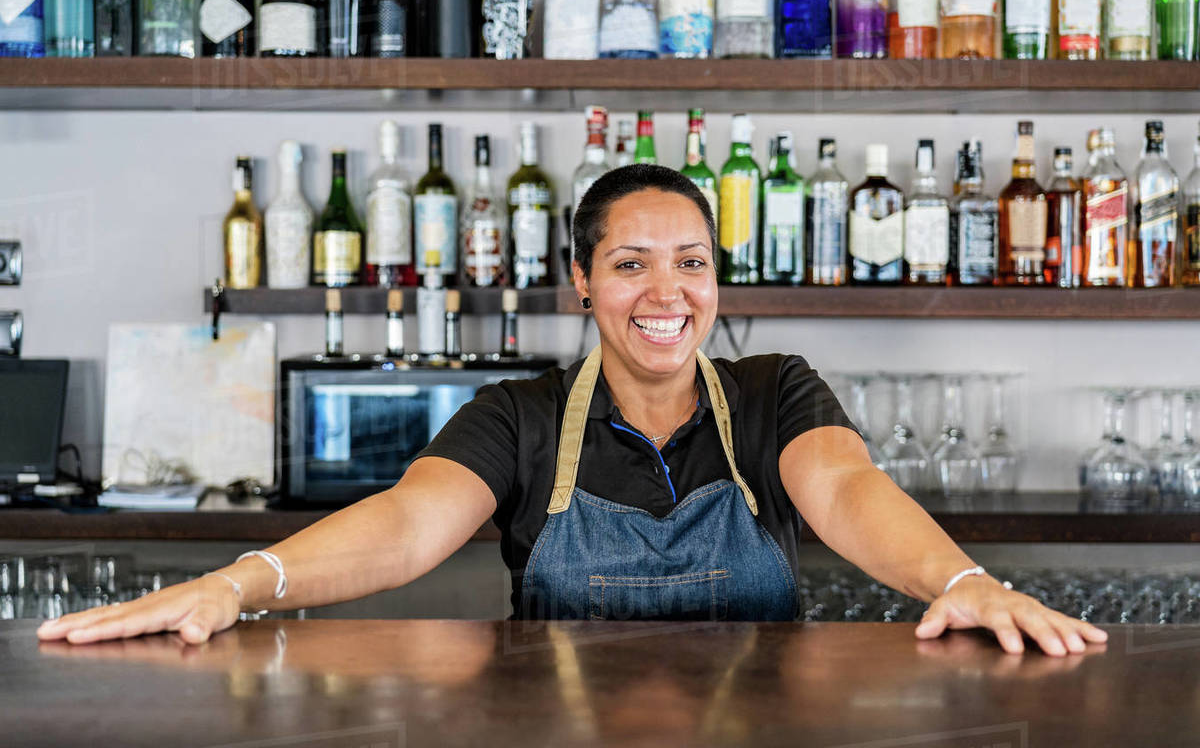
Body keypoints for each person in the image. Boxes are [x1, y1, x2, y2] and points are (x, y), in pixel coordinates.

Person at [38, 165, 1107, 656]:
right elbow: (408, 524)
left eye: (691, 262)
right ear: (579, 284)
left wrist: (964, 581)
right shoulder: (522, 414)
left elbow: (851, 491)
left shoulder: (775, 390)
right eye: (630, 262)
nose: (665, 291)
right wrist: (237, 584)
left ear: (716, 280)